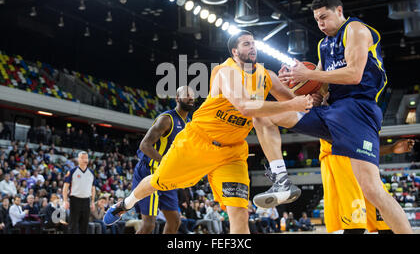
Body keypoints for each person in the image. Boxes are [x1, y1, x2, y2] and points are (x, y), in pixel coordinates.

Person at [104, 31, 312, 233]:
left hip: (232, 153)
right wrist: (294, 104)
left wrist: (306, 83)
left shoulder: (267, 76)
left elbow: (294, 102)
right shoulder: (226, 72)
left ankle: (280, 178)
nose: (252, 47)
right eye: (246, 44)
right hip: (198, 143)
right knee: (157, 180)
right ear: (234, 52)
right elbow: (245, 106)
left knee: (240, 213)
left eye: (253, 43)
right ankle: (126, 203)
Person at [251, 0, 413, 234]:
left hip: (358, 111)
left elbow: (354, 74)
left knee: (372, 190)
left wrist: (309, 76)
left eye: (324, 17)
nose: (321, 24)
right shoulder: (324, 44)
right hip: (329, 111)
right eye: (317, 20)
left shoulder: (356, 30)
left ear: (339, 11)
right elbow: (320, 86)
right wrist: (300, 87)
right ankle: (281, 180)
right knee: (263, 114)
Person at [129, 86, 194, 234]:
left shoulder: (189, 125)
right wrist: (166, 162)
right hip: (148, 172)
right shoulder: (167, 119)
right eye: (187, 95)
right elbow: (144, 145)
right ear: (177, 98)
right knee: (149, 225)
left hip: (167, 174)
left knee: (175, 221)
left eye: (193, 96)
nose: (191, 98)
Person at [319, 138, 415, 234]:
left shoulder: (372, 125)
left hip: (362, 161)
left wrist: (391, 148)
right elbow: (346, 141)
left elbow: (365, 148)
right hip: (340, 161)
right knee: (356, 226)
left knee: (386, 224)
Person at [63, 151, 96, 234]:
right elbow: (65, 187)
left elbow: (93, 188)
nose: (84, 159)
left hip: (86, 201)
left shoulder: (91, 173)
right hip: (75, 200)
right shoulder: (72, 171)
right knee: (73, 225)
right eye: (82, 157)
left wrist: (92, 202)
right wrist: (65, 200)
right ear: (78, 159)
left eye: (86, 157)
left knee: (84, 225)